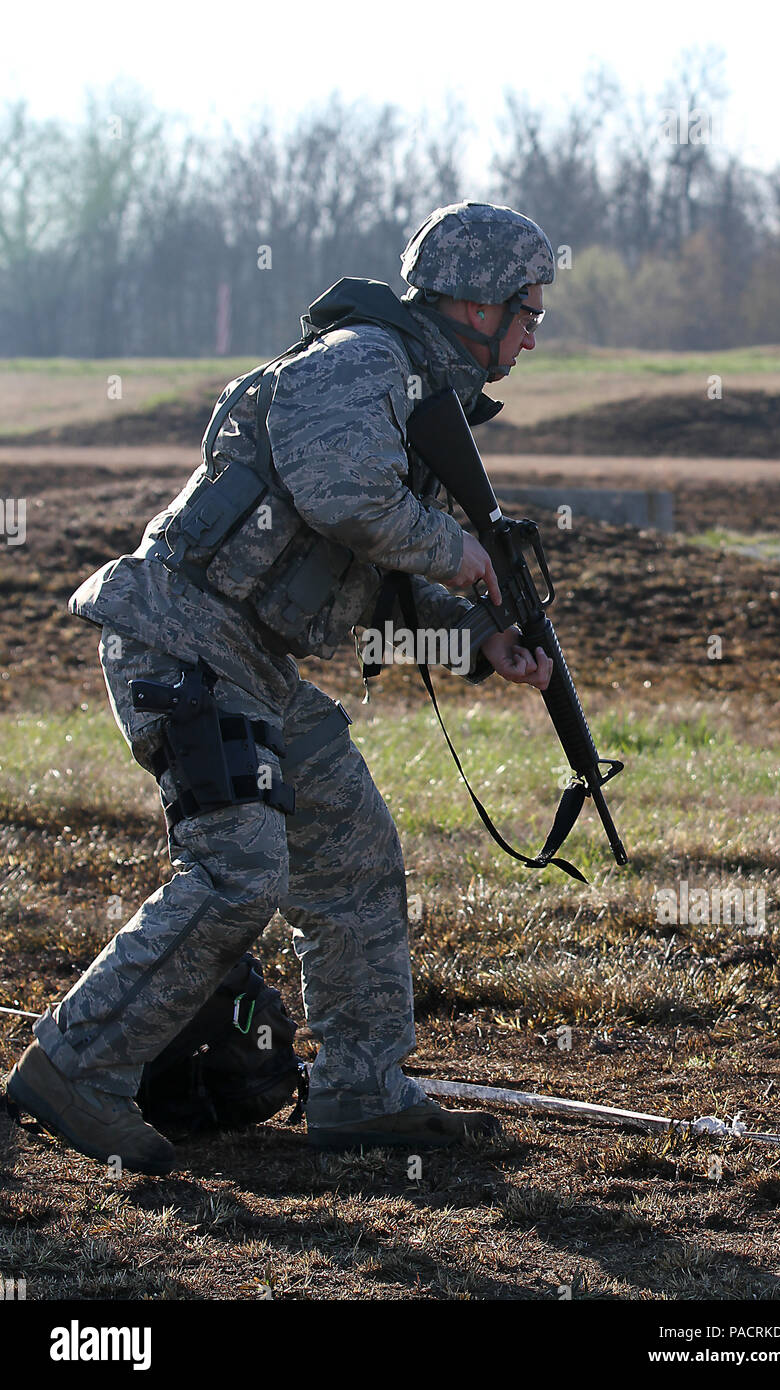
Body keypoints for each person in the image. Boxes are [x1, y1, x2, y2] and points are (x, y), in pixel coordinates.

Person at [5, 201, 556, 1172]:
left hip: (256, 663)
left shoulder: (424, 393)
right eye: (528, 308)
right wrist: (460, 548)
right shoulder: (363, 362)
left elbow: (370, 574)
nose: (532, 332)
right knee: (236, 870)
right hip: (182, 638)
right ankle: (74, 1068)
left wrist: (480, 641)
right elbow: (341, 493)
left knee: (351, 856)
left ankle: (360, 1089)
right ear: (478, 303)